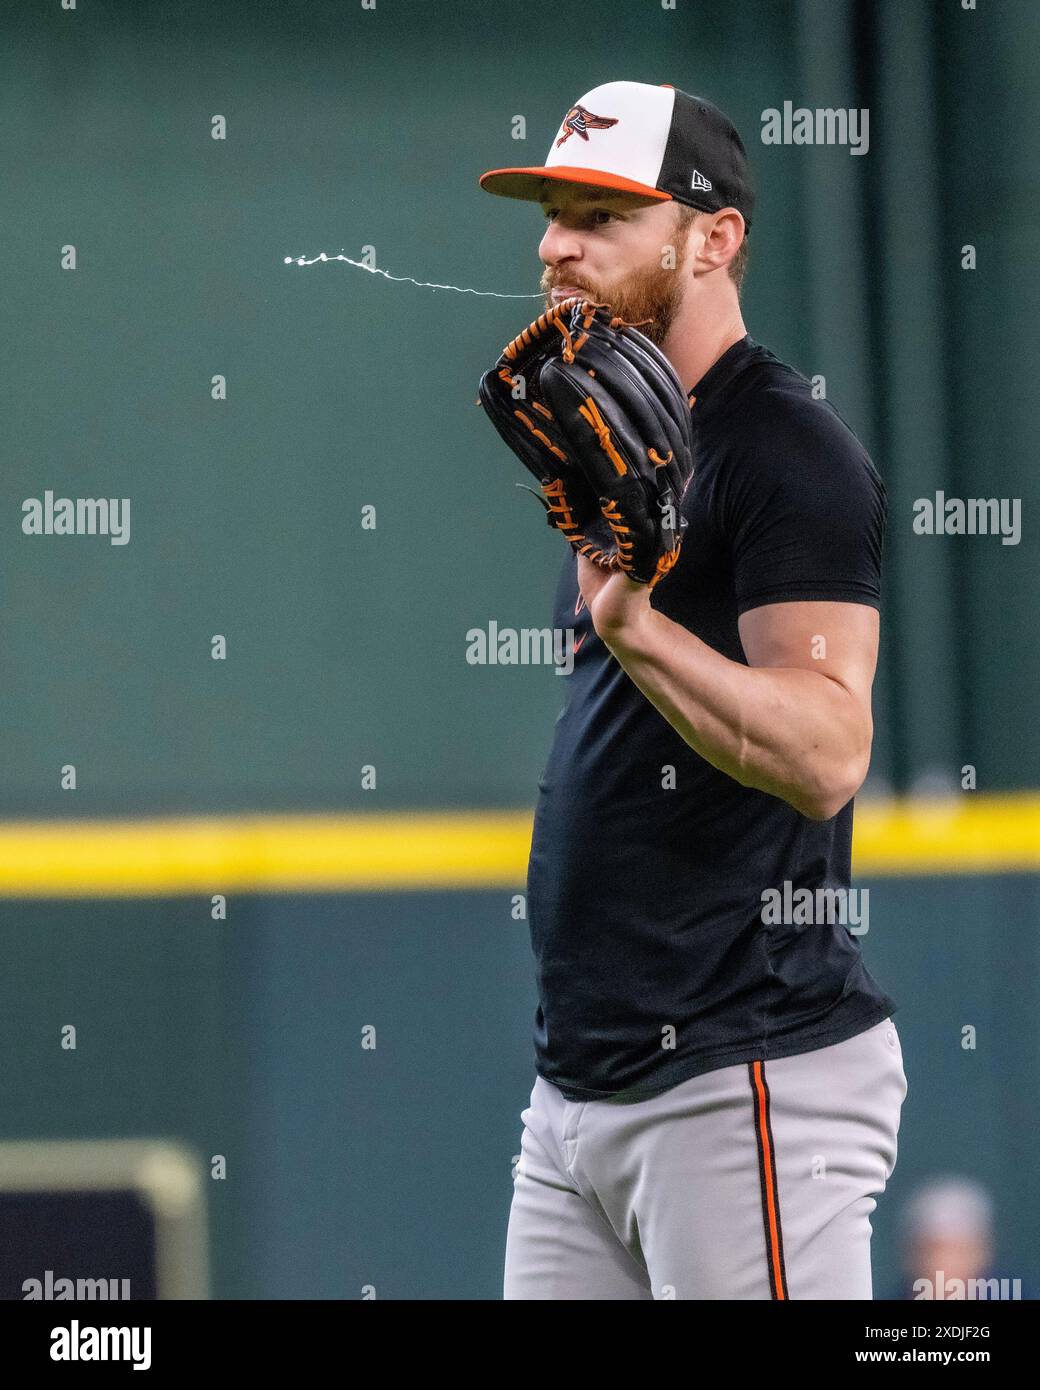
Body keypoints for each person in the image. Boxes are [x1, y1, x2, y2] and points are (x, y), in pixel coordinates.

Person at [479, 79, 907, 1299]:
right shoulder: (619, 434)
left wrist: (633, 624)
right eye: (553, 211)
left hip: (742, 1073)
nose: (557, 243)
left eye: (601, 213)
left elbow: (828, 749)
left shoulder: (785, 448)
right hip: (578, 1091)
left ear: (711, 236)